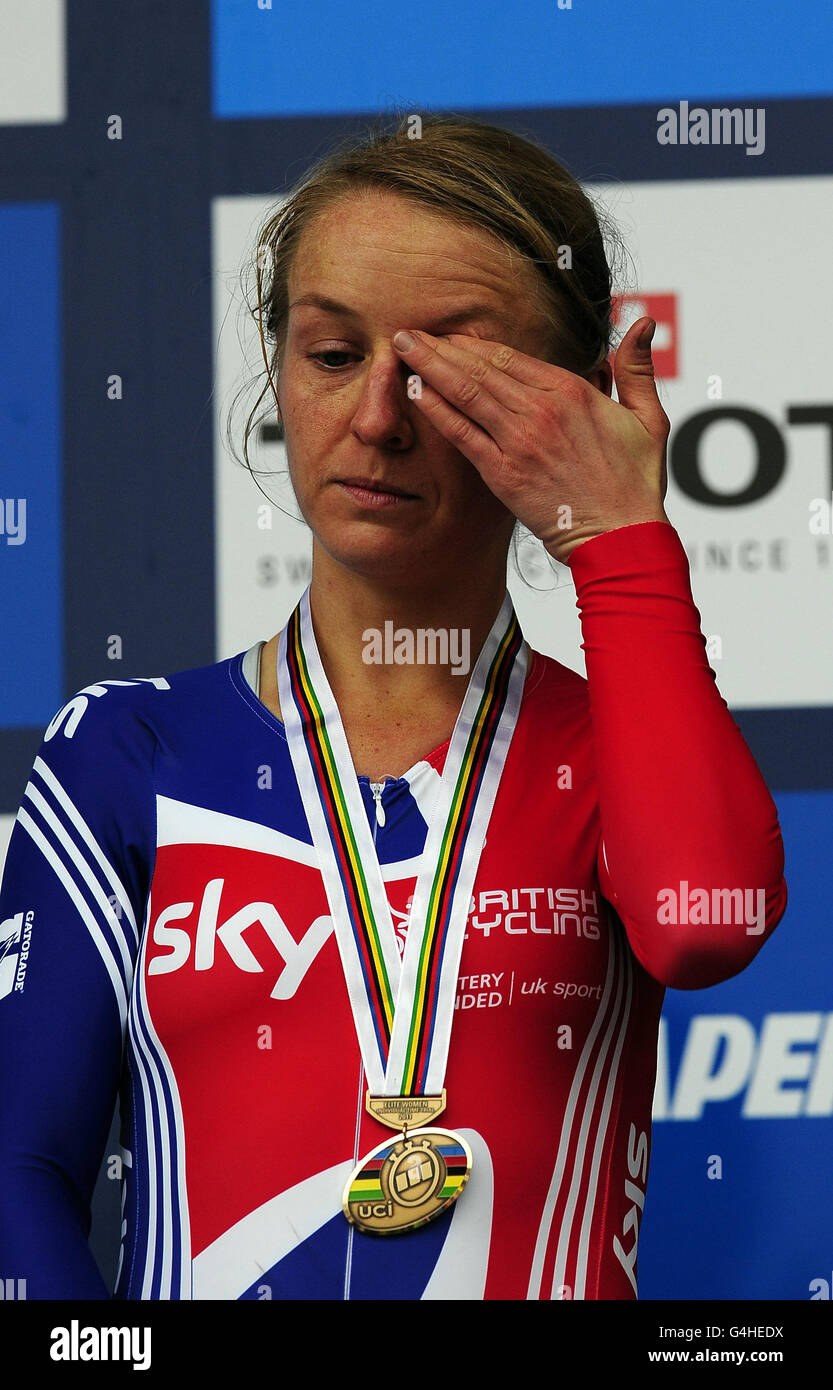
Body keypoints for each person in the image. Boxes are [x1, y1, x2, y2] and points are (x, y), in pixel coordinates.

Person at [0, 114, 787, 1300]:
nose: (376, 417)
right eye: (331, 355)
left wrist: (620, 541)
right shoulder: (127, 750)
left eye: (442, 371)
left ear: (564, 405)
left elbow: (697, 924)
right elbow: (23, 1168)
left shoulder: (609, 751)